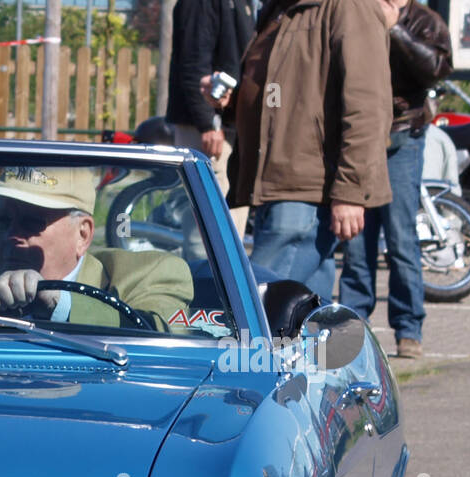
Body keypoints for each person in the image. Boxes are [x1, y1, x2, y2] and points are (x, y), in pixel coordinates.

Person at [210, 0, 393, 303]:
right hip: (278, 185)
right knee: (303, 322)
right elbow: (279, 92)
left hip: (307, 192)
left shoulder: (350, 7)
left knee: (251, 308)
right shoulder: (279, 9)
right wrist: (232, 102)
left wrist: (350, 192)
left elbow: (368, 108)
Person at [0, 168, 194, 331]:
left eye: (31, 223)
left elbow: (167, 334)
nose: (12, 236)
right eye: (2, 221)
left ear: (83, 234)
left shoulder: (147, 274)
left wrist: (58, 303)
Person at [338, 0, 452, 359]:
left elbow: (435, 69)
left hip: (403, 137)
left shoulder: (423, 20)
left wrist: (395, 30)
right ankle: (354, 326)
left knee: (401, 238)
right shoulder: (357, 12)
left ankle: (408, 328)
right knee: (357, 241)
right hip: (360, 138)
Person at [165, 0, 254, 233]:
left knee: (228, 227)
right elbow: (193, 62)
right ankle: (205, 271)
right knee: (208, 230)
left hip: (228, 126)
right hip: (208, 130)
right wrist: (208, 123)